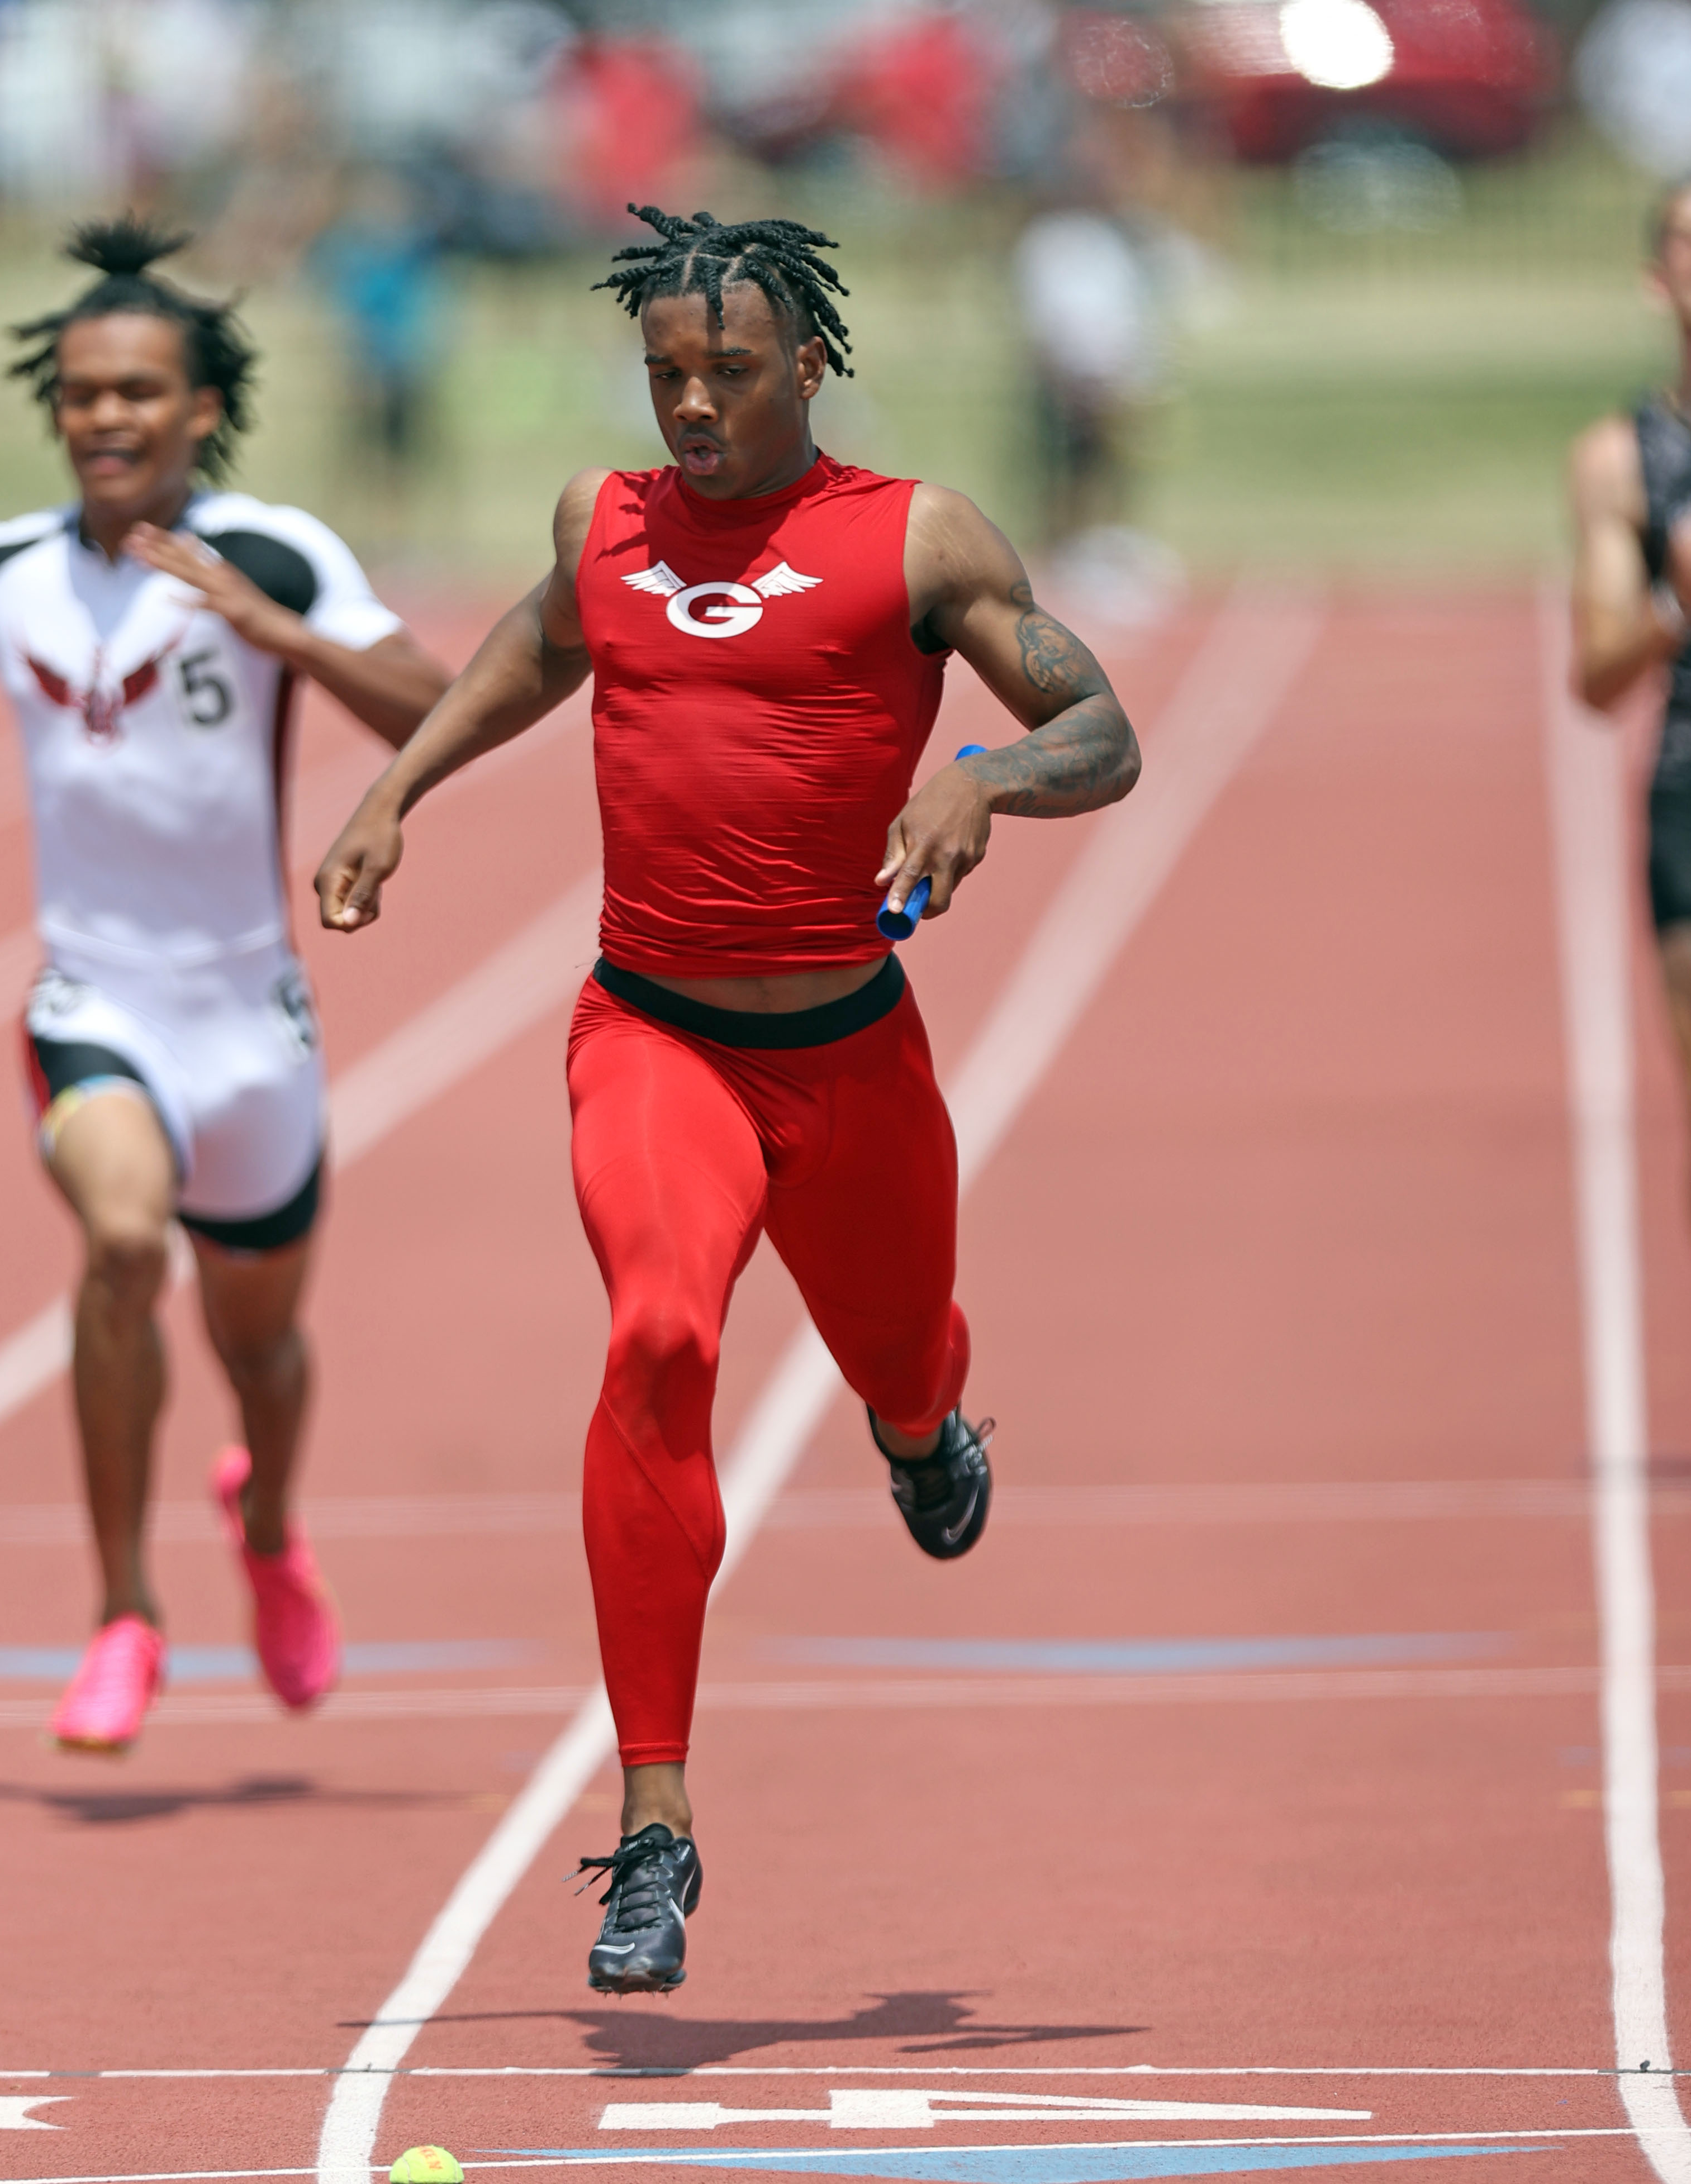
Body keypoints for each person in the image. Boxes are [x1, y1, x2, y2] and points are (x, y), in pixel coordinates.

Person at [316, 206, 1138, 1992]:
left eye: (731, 374)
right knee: (659, 1338)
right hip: (654, 1039)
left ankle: (923, 1428)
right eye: (668, 374)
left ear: (811, 365)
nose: (693, 405)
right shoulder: (599, 520)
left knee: (907, 1347)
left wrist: (987, 776)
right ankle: (658, 1827)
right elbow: (542, 647)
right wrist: (404, 786)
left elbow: (1109, 730)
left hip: (851, 1055)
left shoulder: (912, 535)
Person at [0, 217, 449, 1752]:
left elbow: (439, 708)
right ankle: (126, 1608)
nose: (107, 416)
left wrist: (274, 632)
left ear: (200, 409)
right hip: (95, 1006)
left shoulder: (275, 553)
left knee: (260, 1348)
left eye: (138, 391)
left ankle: (267, 1527)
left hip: (251, 1023)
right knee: (124, 1244)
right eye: (81, 391)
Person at [1571, 174, 1691, 1462]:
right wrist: (1678, 594)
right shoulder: (1620, 457)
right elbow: (1594, 676)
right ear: (1656, 279)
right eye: (1688, 240)